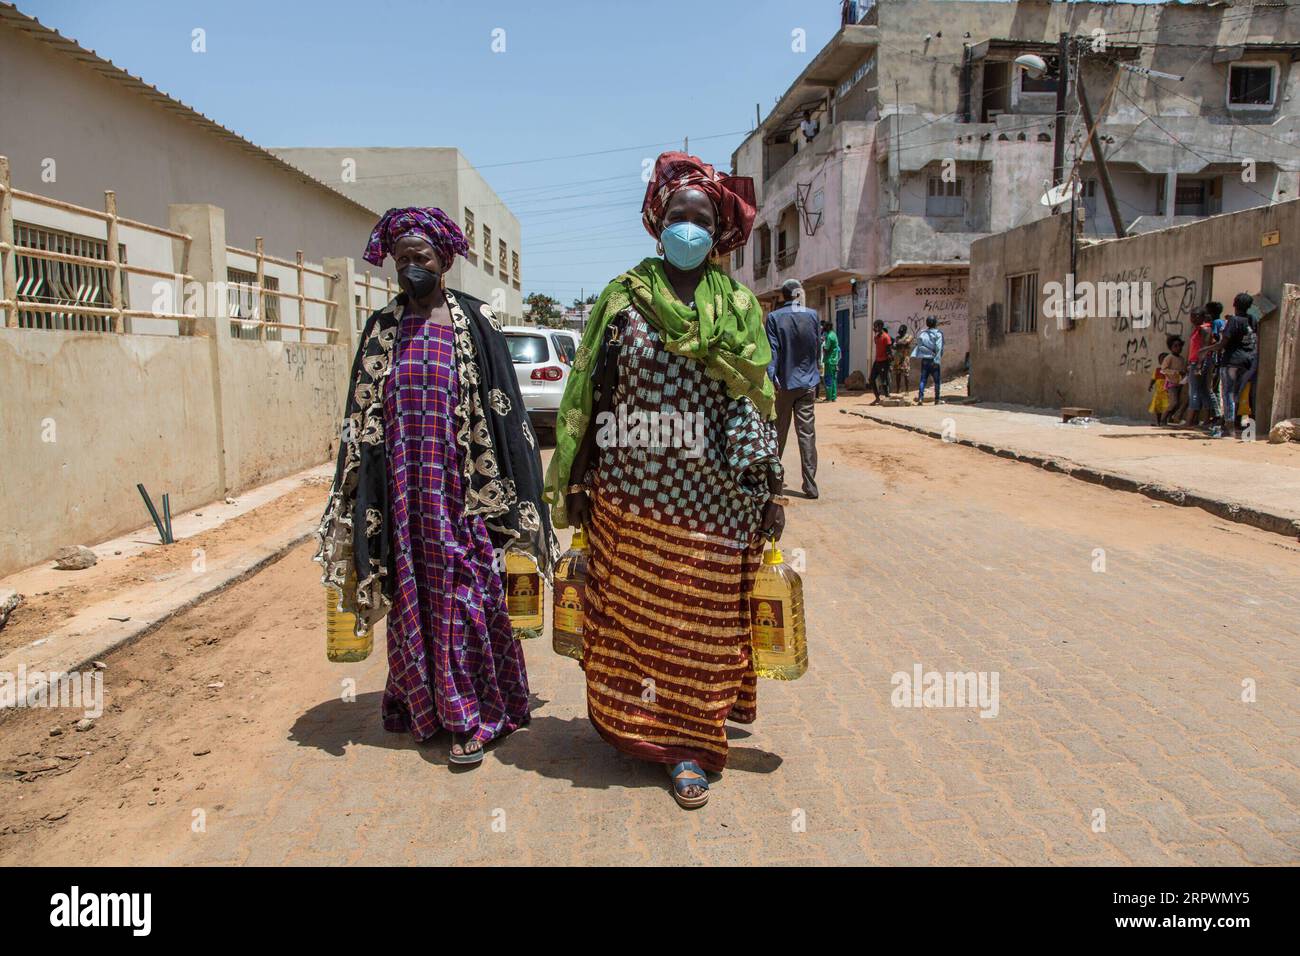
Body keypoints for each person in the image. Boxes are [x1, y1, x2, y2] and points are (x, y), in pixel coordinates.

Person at [544, 152, 784, 810]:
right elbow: (590, 393)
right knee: (633, 626)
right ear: (658, 222)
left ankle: (691, 746)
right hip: (628, 498)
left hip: (714, 504)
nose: (688, 227)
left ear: (719, 231)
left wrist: (770, 489)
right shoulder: (623, 298)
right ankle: (637, 729)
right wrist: (578, 480)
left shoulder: (737, 306)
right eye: (678, 216)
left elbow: (750, 403)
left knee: (699, 633)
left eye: (700, 219)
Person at [315, 207, 558, 766]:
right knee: (410, 594)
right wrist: (354, 494)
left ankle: (473, 715)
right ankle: (423, 706)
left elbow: (505, 412)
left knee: (465, 591)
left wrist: (517, 495)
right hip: (402, 492)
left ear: (443, 262)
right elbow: (362, 415)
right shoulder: (383, 328)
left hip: (464, 490)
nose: (410, 268)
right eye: (401, 260)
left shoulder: (475, 322)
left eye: (420, 258)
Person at [767, 278, 823, 498]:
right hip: (808, 384)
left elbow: (773, 352)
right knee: (807, 434)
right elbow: (817, 348)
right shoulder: (812, 316)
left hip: (783, 385)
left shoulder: (774, 318)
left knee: (778, 433)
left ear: (783, 296)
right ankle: (810, 485)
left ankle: (774, 483)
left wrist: (772, 378)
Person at [1204, 292, 1258, 439]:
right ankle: (1238, 426)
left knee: (1227, 394)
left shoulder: (1234, 321)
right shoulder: (1252, 319)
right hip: (1248, 361)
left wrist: (1205, 349)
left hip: (1232, 361)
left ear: (1234, 304)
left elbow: (1223, 344)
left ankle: (1229, 428)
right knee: (1238, 395)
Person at [1184, 307, 1214, 429]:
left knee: (1195, 391)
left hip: (1199, 362)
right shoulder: (1198, 329)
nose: (1192, 318)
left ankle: (1190, 421)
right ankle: (1203, 420)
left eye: (1195, 315)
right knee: (1202, 391)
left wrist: (1199, 365)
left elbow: (1204, 348)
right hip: (1195, 362)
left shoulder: (1205, 329)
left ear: (1201, 316)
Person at [912, 316, 944, 404]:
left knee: (923, 380)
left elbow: (920, 346)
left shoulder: (923, 333)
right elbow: (939, 347)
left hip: (925, 359)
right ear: (935, 323)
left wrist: (927, 351)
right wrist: (936, 359)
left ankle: (921, 398)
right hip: (934, 360)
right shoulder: (938, 334)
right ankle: (937, 399)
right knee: (937, 381)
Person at [1160, 336, 1188, 425]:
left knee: (1179, 403)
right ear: (1171, 347)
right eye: (1175, 346)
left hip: (1180, 383)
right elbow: (1163, 369)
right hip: (1171, 384)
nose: (1178, 348)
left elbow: (1184, 369)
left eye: (1179, 346)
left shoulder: (1182, 359)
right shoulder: (1169, 358)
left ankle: (1171, 419)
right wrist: (1176, 372)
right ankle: (1163, 419)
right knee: (1173, 402)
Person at [869, 320, 893, 403]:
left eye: (876, 326)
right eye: (874, 326)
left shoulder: (886, 337)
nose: (875, 328)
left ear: (880, 326)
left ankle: (887, 397)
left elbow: (889, 351)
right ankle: (877, 398)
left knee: (884, 380)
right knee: (871, 379)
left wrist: (890, 364)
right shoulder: (876, 337)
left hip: (884, 361)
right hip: (877, 361)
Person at [821, 317, 841, 403]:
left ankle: (828, 397)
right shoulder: (834, 334)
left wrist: (823, 345)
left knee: (828, 378)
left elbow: (826, 348)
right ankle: (834, 397)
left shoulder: (829, 336)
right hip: (835, 360)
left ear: (827, 327)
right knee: (833, 379)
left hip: (829, 360)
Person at [891, 323, 913, 395]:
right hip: (898, 358)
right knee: (898, 374)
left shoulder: (909, 336)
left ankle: (907, 390)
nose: (900, 332)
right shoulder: (897, 338)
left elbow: (905, 343)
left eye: (901, 331)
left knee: (906, 374)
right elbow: (894, 347)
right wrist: (898, 344)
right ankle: (898, 389)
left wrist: (898, 344)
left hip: (905, 358)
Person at [1148, 352, 1170, 424]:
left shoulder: (1169, 371)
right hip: (1158, 393)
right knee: (1158, 408)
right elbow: (1153, 379)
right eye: (1162, 360)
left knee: (1166, 407)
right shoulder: (1157, 370)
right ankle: (1158, 422)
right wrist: (1150, 385)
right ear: (1159, 361)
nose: (1163, 361)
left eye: (1165, 359)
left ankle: (1164, 421)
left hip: (1166, 393)